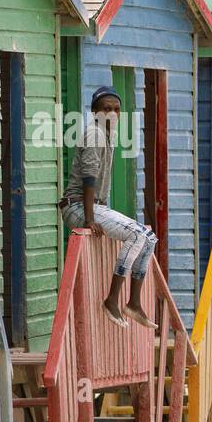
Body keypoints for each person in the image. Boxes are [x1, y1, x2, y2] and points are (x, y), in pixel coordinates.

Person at [59, 86, 159, 329]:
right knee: (138, 234)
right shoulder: (93, 133)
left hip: (93, 206)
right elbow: (89, 178)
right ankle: (113, 298)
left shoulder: (106, 135)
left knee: (149, 237)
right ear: (95, 112)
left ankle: (133, 302)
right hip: (79, 207)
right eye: (106, 109)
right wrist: (90, 218)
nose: (112, 114)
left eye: (116, 109)